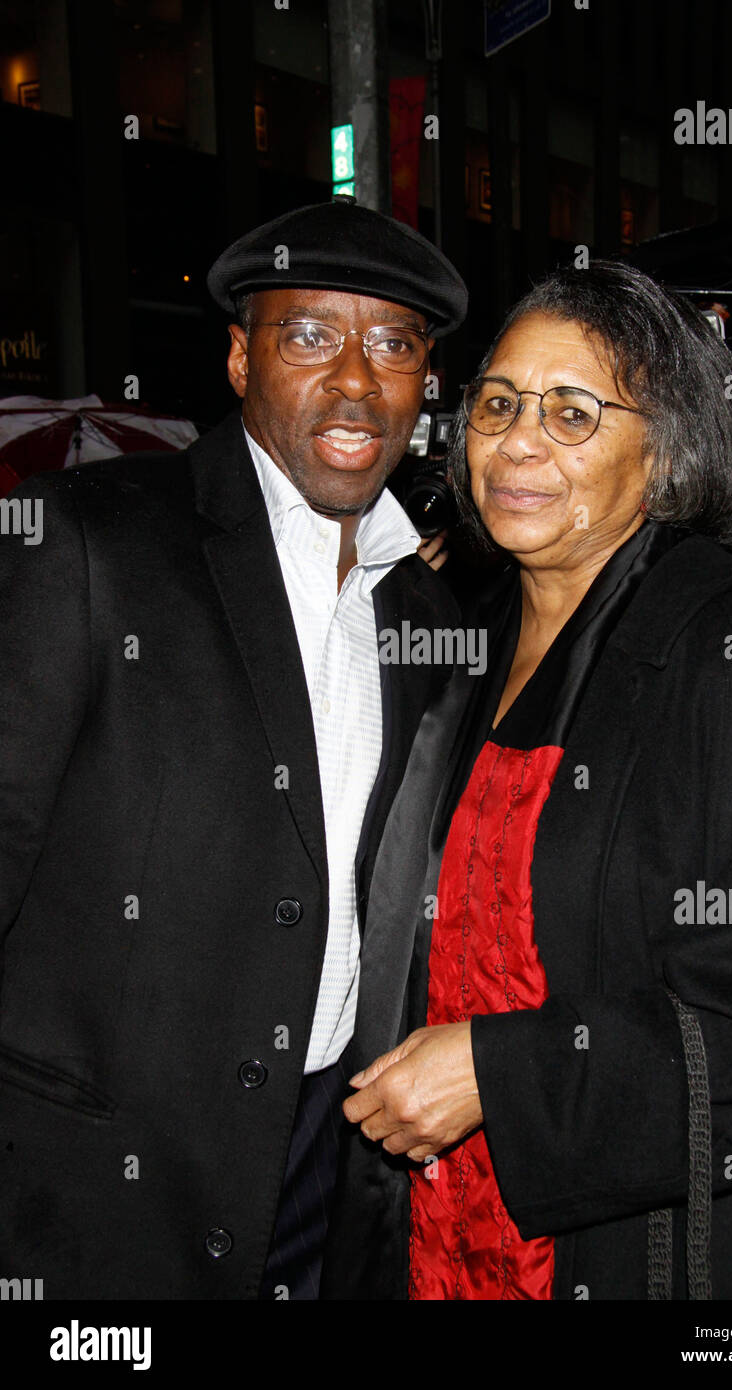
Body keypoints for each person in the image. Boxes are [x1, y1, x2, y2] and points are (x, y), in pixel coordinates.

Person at [321, 262, 732, 1301]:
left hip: (630, 1239)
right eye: (496, 404)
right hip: (438, 1224)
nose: (518, 441)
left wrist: (505, 1073)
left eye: (572, 413)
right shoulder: (457, 646)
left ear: (662, 453)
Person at [0, 198, 466, 1299]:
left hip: (319, 1162)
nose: (356, 380)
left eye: (393, 345)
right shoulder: (90, 536)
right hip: (85, 1187)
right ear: (236, 357)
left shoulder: (429, 615)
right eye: (310, 335)